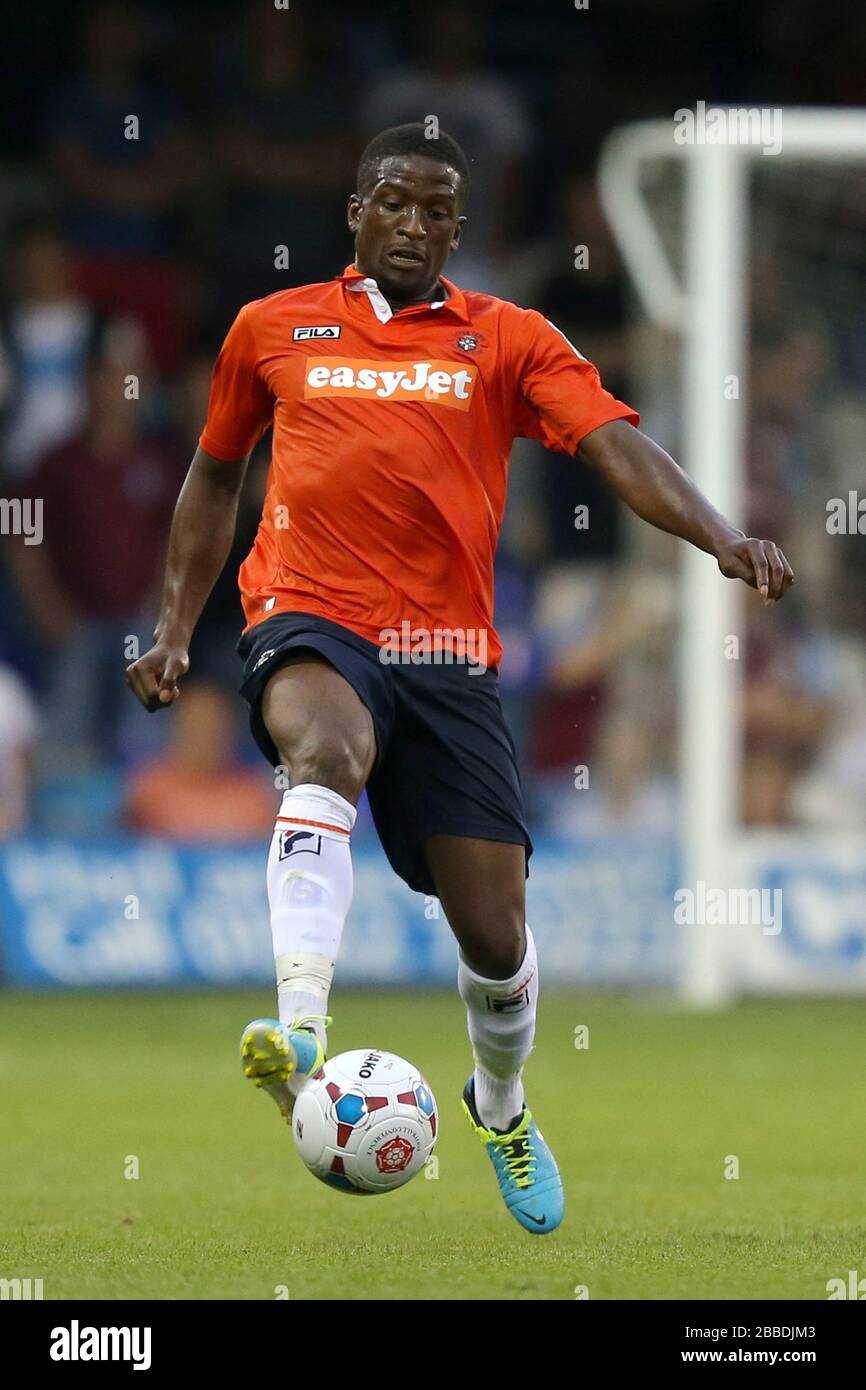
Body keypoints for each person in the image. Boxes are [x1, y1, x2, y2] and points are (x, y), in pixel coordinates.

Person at [126, 124, 794, 1235]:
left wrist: (719, 535)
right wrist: (173, 628)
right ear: (354, 213)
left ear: (456, 229)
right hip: (305, 613)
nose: (413, 223)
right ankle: (300, 1025)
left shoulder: (507, 339)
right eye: (393, 201)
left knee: (494, 936)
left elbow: (614, 445)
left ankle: (501, 1106)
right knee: (322, 748)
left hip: (443, 656)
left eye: (437, 210)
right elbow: (213, 472)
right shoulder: (270, 329)